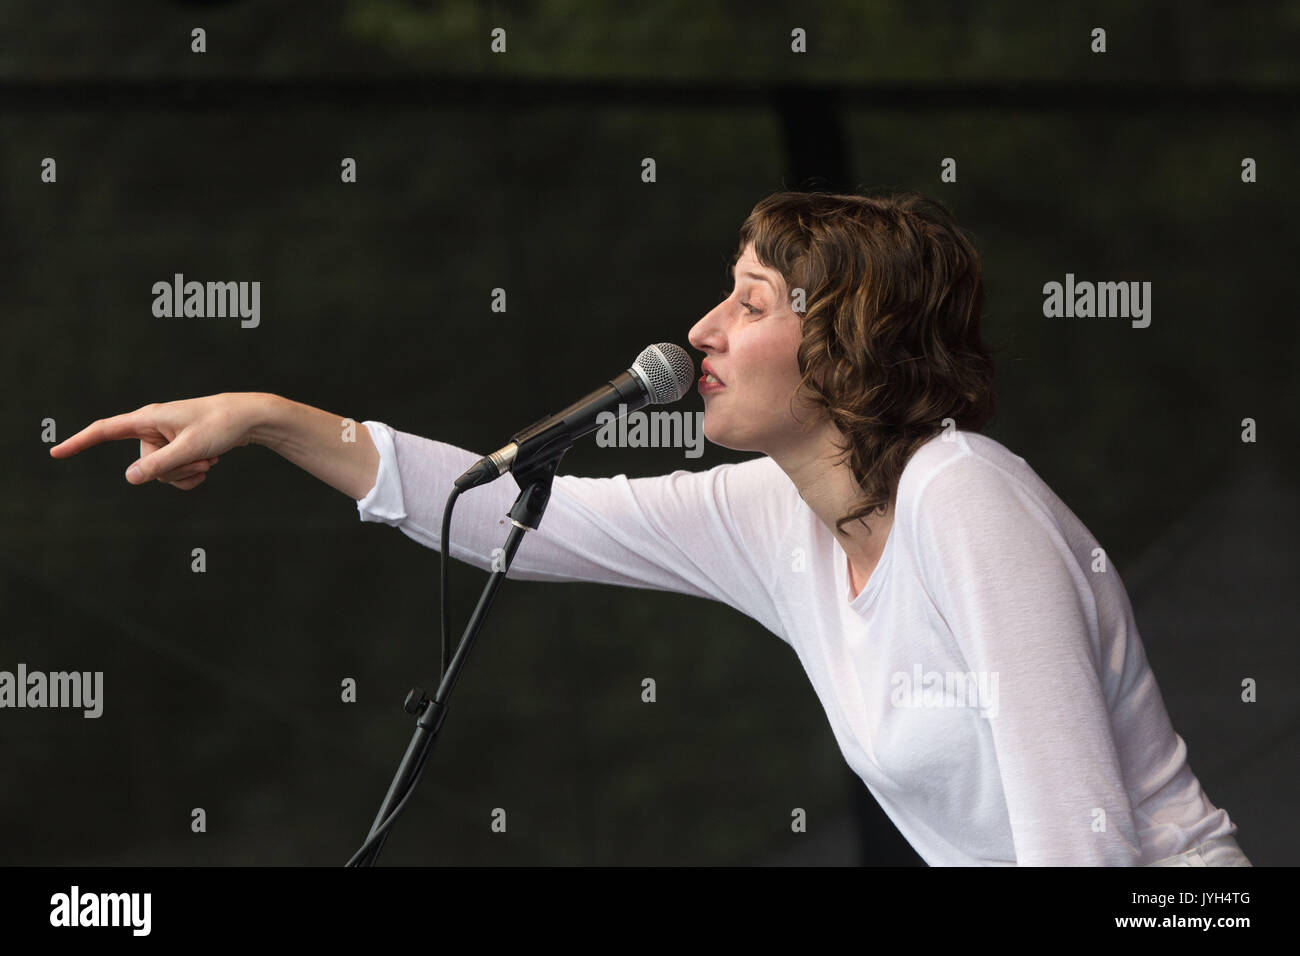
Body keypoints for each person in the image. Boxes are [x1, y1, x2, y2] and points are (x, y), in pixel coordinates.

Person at [49, 190, 1251, 867]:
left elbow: (1086, 843)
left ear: (851, 345)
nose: (704, 327)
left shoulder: (963, 493)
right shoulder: (773, 511)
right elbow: (500, 512)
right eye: (722, 289)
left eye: (752, 299)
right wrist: (267, 418)